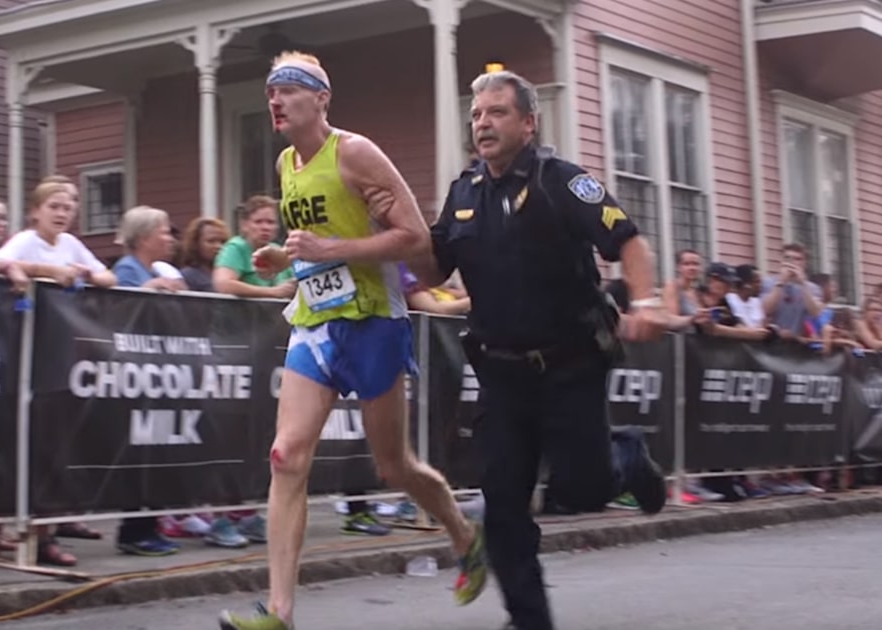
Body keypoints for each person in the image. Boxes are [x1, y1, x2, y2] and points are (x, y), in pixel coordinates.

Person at [219, 52, 485, 630]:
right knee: (285, 457)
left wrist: (329, 250)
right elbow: (315, 248)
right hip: (315, 321)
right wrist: (285, 262)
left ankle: (465, 535)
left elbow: (415, 240)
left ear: (321, 98)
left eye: (287, 89)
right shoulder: (287, 163)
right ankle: (280, 613)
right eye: (270, 92)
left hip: (374, 323)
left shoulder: (356, 153)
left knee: (394, 466)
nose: (275, 101)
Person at [407, 69, 668, 630]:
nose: (483, 124)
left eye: (497, 112)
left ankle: (627, 457)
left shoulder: (562, 182)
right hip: (502, 374)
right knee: (502, 506)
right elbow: (433, 265)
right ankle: (530, 620)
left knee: (585, 487)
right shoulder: (464, 193)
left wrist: (645, 303)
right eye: (476, 115)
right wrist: (395, 237)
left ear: (528, 122)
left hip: (569, 365)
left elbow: (629, 241)